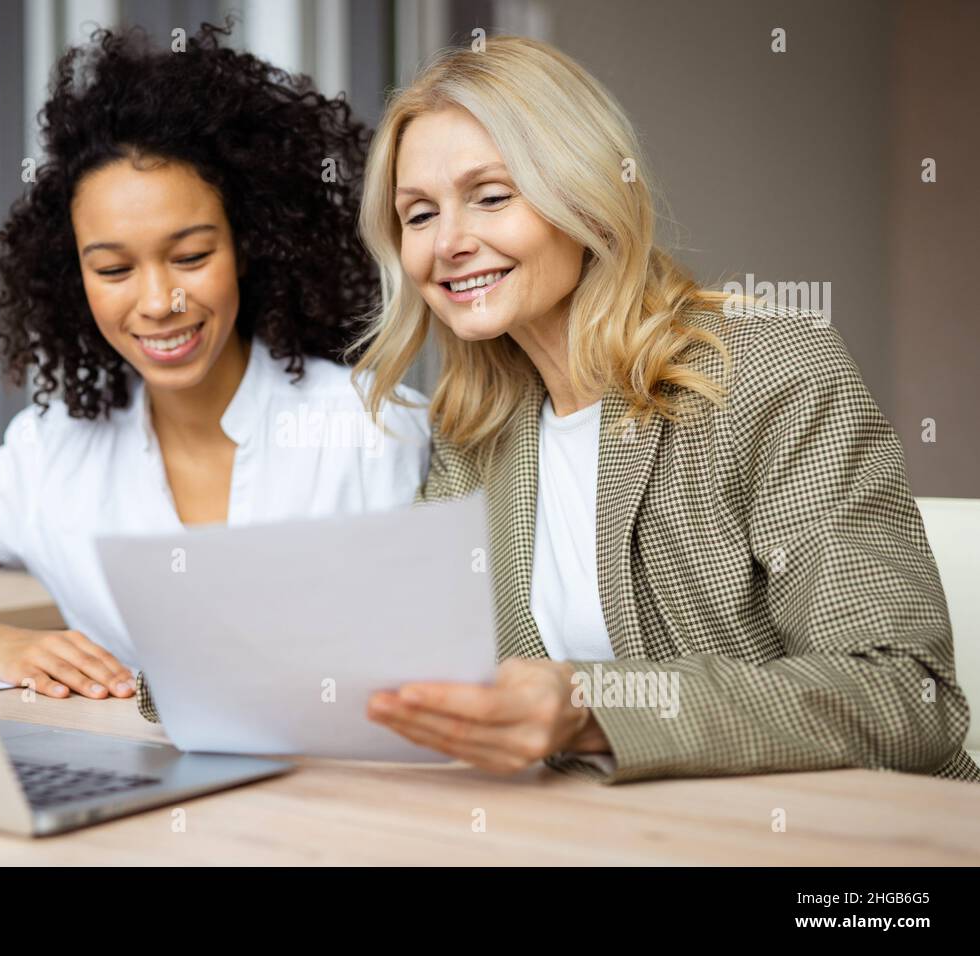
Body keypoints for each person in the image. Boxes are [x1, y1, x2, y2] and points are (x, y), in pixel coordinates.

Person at [351, 36, 979, 784]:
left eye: (492, 196)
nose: (448, 242)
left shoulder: (771, 371)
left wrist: (592, 705)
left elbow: (905, 692)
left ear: (582, 193)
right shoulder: (474, 431)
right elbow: (427, 666)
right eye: (418, 215)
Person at [0, 22, 428, 702]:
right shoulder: (49, 455)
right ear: (76, 278)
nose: (159, 301)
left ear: (248, 245)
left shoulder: (374, 430)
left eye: (191, 257)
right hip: (142, 798)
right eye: (114, 267)